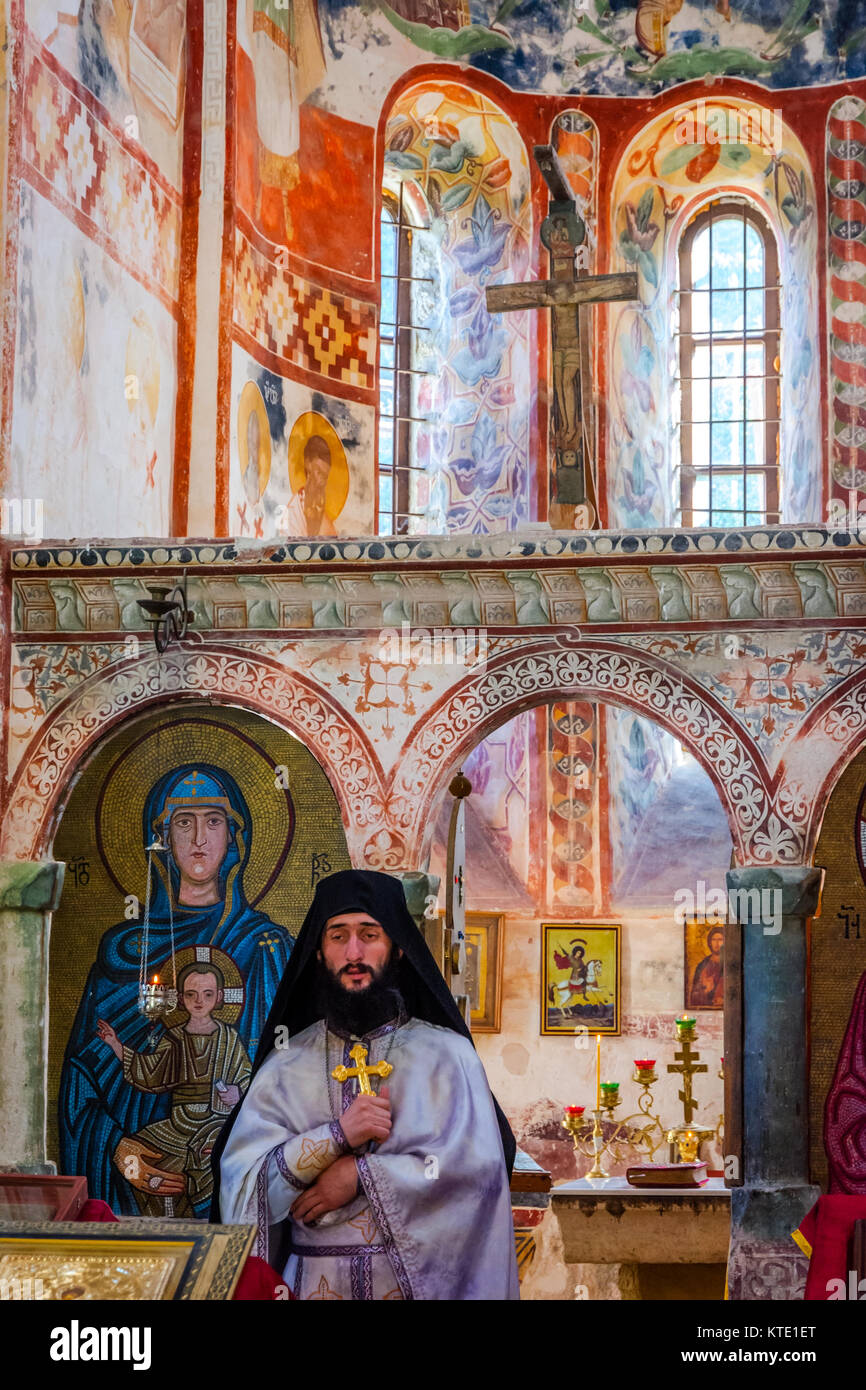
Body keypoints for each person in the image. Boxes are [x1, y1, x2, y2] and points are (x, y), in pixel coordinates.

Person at [212, 869, 519, 1300]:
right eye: (337, 936)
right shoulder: (286, 1063)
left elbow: (479, 1177)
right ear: (318, 953)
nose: (353, 952)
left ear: (396, 949)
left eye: (369, 934)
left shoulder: (449, 1058)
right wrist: (336, 1136)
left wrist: (361, 1174)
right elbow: (245, 1186)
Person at [59, 765, 293, 1212]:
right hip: (138, 1170)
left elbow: (286, 1078)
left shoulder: (265, 948)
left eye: (214, 820)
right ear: (162, 837)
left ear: (234, 838)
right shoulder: (124, 951)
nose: (199, 839)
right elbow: (81, 1086)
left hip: (233, 1167)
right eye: (184, 822)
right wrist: (124, 1157)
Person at [96, 962, 252, 1218]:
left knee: (213, 1157)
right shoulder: (174, 1038)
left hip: (216, 1123)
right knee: (126, 1153)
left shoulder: (229, 1038)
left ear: (220, 997)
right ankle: (164, 1222)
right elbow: (149, 1071)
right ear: (181, 998)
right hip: (179, 1124)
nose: (199, 1001)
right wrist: (115, 1043)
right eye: (191, 994)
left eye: (208, 994)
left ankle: (207, 1218)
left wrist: (238, 1092)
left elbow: (247, 1078)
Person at [688, 926, 724, 1009]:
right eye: (714, 940)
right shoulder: (703, 965)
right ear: (709, 942)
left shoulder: (730, 963)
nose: (717, 943)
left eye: (720, 940)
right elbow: (694, 996)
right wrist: (705, 991)